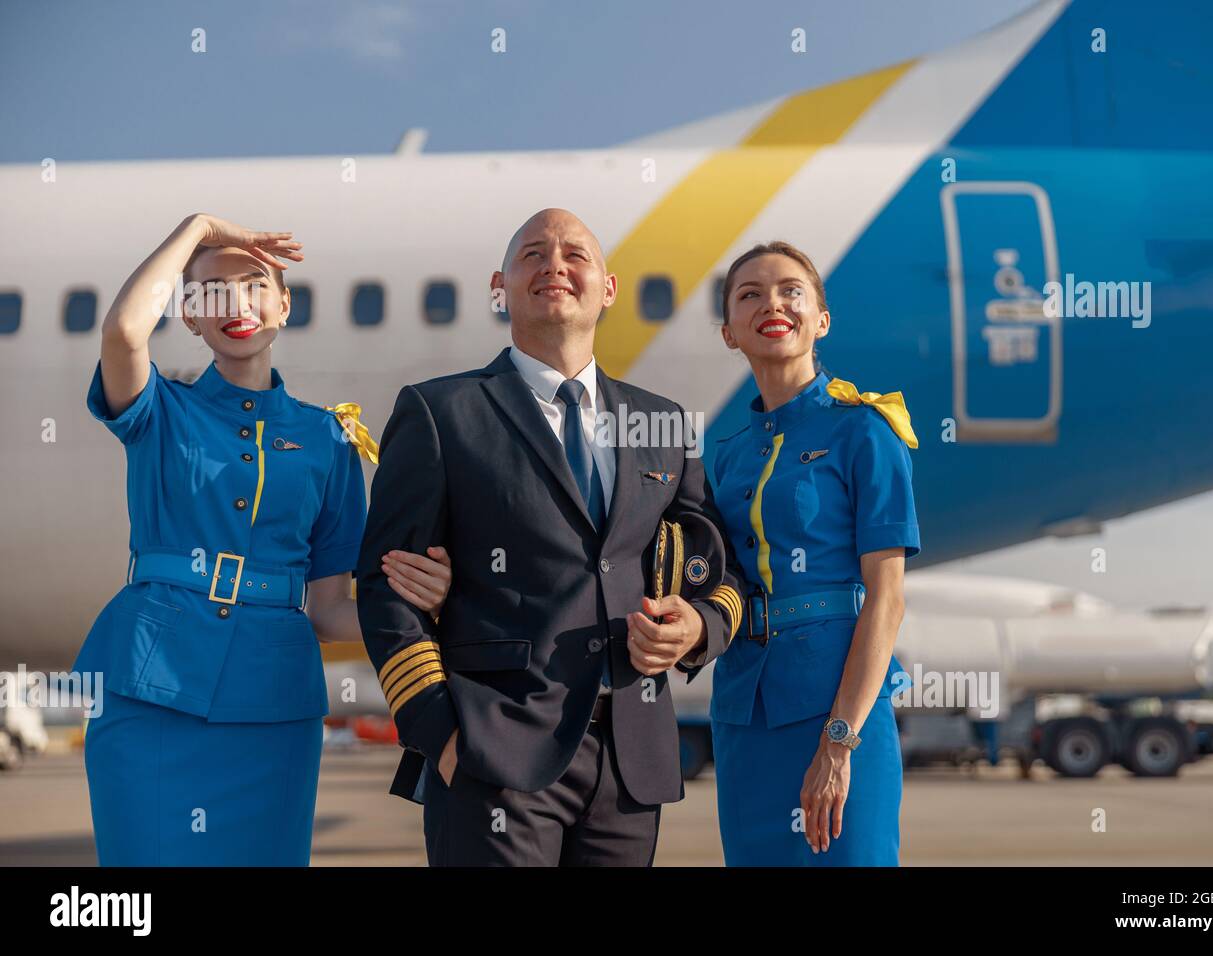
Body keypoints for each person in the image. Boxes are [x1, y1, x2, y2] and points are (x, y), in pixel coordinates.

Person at [356, 207, 745, 866]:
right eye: (532, 254)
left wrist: (699, 628)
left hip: (629, 764)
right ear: (500, 287)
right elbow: (385, 587)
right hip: (492, 756)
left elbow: (717, 571)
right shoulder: (440, 412)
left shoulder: (664, 423)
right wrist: (443, 738)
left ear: (608, 289)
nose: (554, 266)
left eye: (575, 255)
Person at [76, 213, 448, 866]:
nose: (235, 305)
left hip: (274, 705)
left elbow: (331, 608)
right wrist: (197, 228)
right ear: (189, 316)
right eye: (210, 293)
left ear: (284, 304)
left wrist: (437, 609)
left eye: (252, 286)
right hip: (150, 690)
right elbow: (124, 329)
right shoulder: (159, 408)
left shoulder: (329, 439)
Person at [705, 240, 920, 866]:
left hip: (836, 706)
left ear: (820, 319)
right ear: (729, 332)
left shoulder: (865, 431)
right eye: (749, 295)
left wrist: (839, 741)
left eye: (790, 291)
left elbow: (887, 599)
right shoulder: (730, 453)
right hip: (746, 712)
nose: (772, 303)